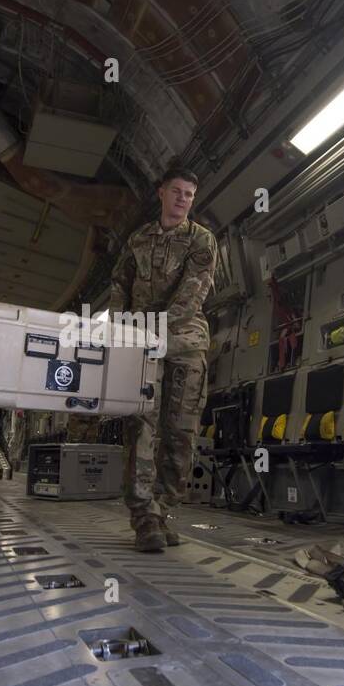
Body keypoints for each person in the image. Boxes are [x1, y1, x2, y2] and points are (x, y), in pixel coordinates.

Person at [108, 168, 217, 551]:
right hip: (140, 342)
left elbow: (192, 295)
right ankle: (145, 517)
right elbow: (119, 283)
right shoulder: (138, 239)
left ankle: (163, 507)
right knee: (142, 428)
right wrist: (120, 327)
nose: (183, 198)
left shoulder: (202, 240)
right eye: (177, 191)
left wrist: (149, 327)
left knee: (181, 431)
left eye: (189, 193)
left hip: (184, 342)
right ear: (161, 193)